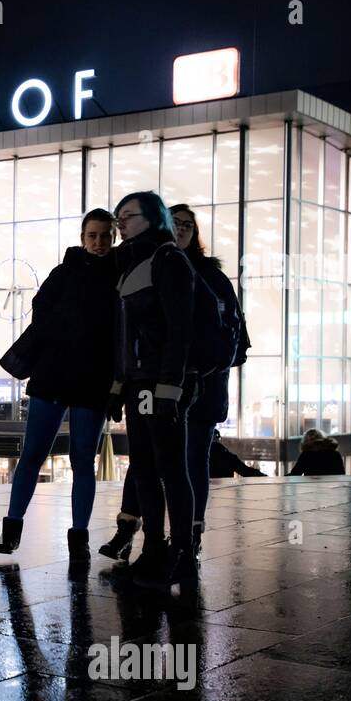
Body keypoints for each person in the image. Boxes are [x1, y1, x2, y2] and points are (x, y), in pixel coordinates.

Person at [102, 205, 247, 560]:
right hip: (159, 384)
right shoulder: (149, 267)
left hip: (198, 388)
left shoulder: (210, 278)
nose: (181, 230)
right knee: (145, 460)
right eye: (175, 223)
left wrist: (200, 370)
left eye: (188, 225)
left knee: (190, 460)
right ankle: (131, 531)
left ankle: (187, 540)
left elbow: (236, 342)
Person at [0, 209, 118, 562]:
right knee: (37, 454)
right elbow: (42, 313)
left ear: (113, 238)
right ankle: (29, 532)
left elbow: (44, 313)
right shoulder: (71, 273)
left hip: (78, 378)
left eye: (105, 236)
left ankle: (69, 538)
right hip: (65, 376)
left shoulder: (103, 276)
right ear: (83, 237)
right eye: (93, 236)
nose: (98, 243)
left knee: (78, 459)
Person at [103, 191, 197, 588]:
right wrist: (118, 385)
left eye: (128, 215)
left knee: (171, 468)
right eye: (118, 216)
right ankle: (155, 548)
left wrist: (170, 388)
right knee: (143, 467)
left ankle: (182, 553)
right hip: (139, 383)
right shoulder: (131, 264)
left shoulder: (167, 259)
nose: (120, 223)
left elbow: (181, 329)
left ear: (151, 218)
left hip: (161, 382)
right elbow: (126, 335)